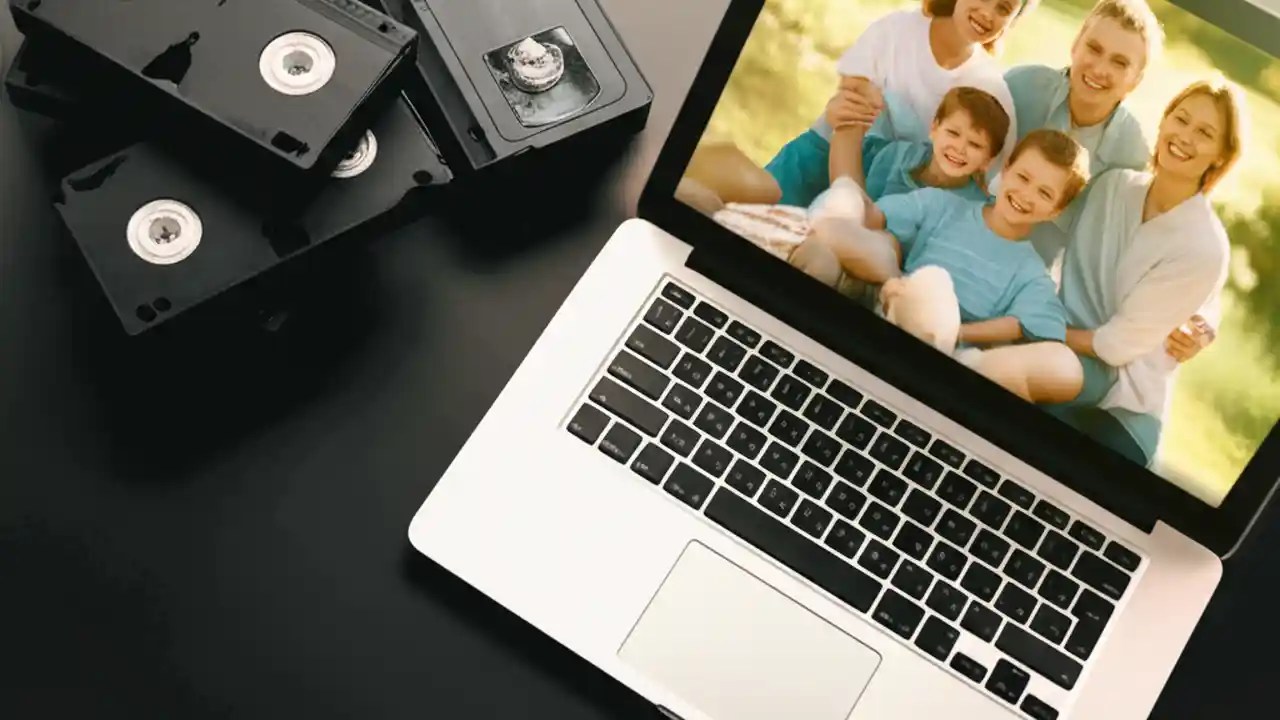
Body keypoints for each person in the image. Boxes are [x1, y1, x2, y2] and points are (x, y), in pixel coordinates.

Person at [967, 78, 1247, 467]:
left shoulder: (1203, 244)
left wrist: (1024, 326)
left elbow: (1115, 346)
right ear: (1164, 121)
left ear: (1220, 156)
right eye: (1180, 119)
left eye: (1205, 133)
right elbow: (1036, 204)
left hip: (1124, 406)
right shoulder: (1114, 186)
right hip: (1065, 356)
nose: (1185, 136)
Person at [791, 129, 1090, 353]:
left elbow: (1029, 324)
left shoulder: (1030, 270)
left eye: (1044, 193)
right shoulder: (945, 206)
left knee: (932, 287)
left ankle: (910, 300)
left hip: (939, 333)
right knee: (830, 232)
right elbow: (874, 217)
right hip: (890, 292)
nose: (1026, 195)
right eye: (1023, 178)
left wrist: (960, 332)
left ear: (1056, 210)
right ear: (1007, 169)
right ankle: (893, 288)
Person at [765, 0, 1034, 208]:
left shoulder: (990, 91)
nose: (988, 13)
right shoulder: (895, 31)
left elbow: (982, 188)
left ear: (1012, 21)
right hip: (823, 159)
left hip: (891, 198)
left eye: (1004, 8)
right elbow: (847, 125)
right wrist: (849, 204)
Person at [1003, 0, 1163, 264]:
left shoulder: (1133, 156)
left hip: (1038, 277)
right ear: (1076, 44)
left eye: (1119, 63)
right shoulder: (1020, 88)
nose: (1099, 69)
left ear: (1136, 81)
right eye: (1094, 48)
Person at [827, 85, 1010, 205]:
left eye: (975, 145)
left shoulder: (976, 207)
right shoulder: (897, 155)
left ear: (988, 161)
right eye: (953, 133)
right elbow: (863, 204)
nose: (960, 148)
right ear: (934, 129)